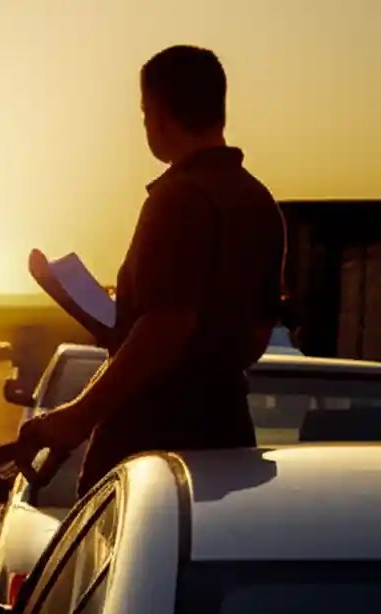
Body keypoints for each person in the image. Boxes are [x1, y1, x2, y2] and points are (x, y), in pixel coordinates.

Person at [20, 45, 286, 497]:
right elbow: (258, 332)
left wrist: (77, 418)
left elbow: (166, 326)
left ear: (158, 114)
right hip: (227, 435)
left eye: (145, 113)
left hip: (150, 447)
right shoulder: (260, 202)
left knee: (122, 564)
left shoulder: (177, 199)